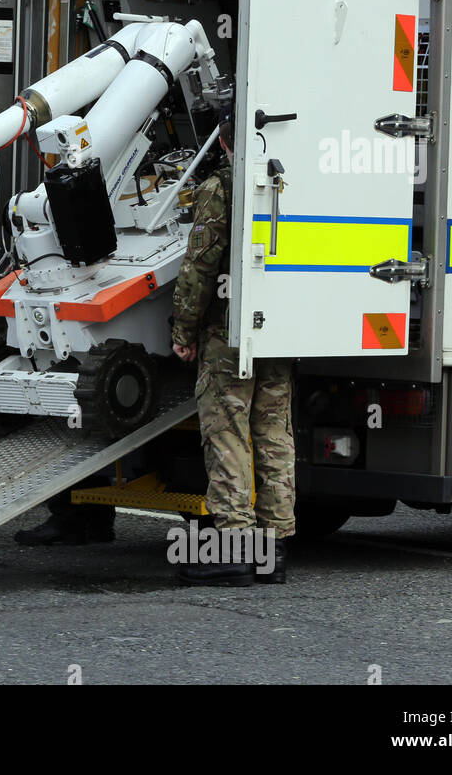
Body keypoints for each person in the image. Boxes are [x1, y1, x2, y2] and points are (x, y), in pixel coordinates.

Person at [170, 104, 295, 585]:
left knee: (227, 433)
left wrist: (183, 332)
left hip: (229, 334)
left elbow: (198, 268)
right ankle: (275, 548)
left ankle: (236, 546)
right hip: (281, 332)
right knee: (273, 434)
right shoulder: (290, 182)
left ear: (223, 143)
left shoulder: (220, 187)